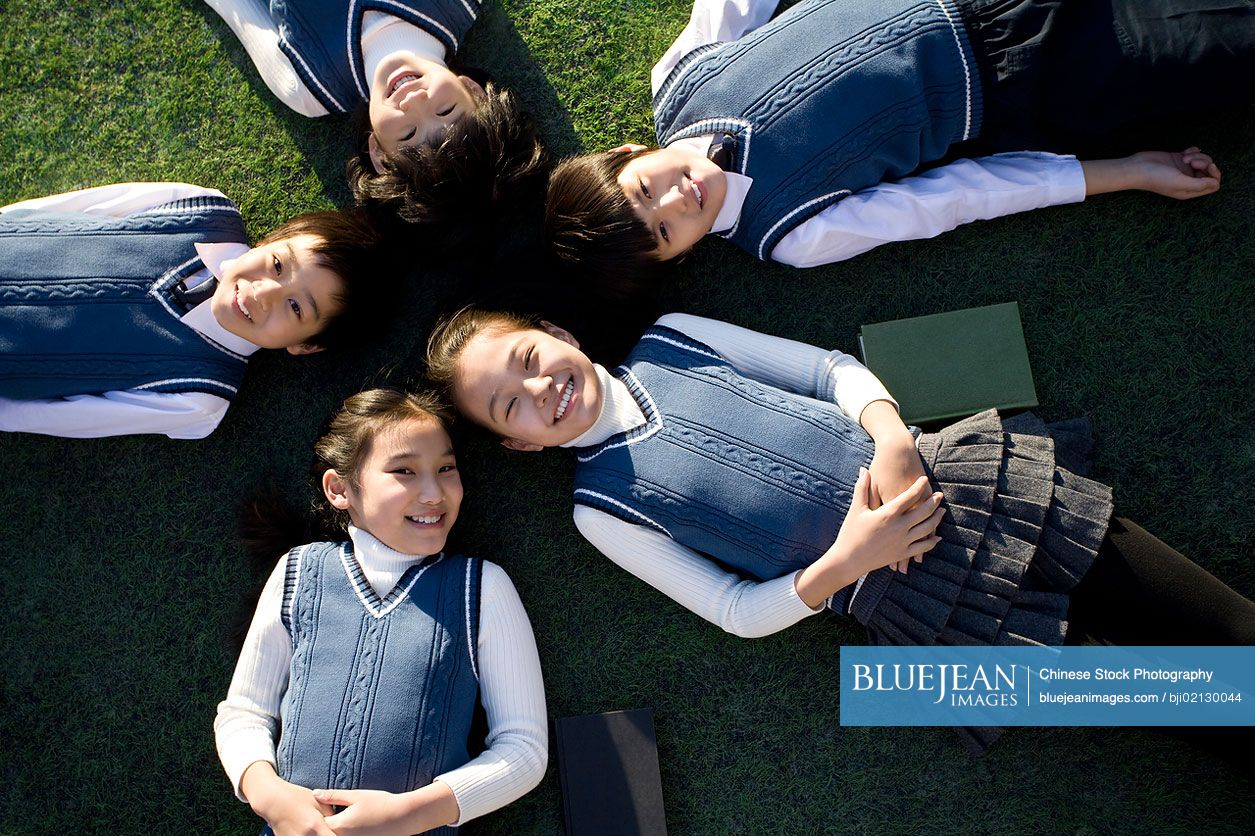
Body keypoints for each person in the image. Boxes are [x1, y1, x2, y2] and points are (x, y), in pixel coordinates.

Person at [426, 307, 1255, 656]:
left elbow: (826, 371)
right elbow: (732, 611)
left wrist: (892, 437)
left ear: (556, 332)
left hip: (958, 486)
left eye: (531, 360)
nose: (541, 390)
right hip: (908, 604)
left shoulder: (672, 339)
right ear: (520, 446)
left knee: (1207, 618)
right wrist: (850, 558)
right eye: (513, 406)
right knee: (1166, 692)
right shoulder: (599, 512)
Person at [545, 0, 1251, 288]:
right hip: (1030, 78)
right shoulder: (790, 234)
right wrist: (1126, 172)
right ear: (682, 252)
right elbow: (956, 198)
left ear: (629, 151)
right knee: (1220, 42)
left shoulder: (678, 80)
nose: (678, 197)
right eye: (667, 230)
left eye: (645, 188)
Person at [215, 388, 548, 835]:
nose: (433, 492)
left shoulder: (480, 588)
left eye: (446, 468)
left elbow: (523, 750)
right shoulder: (298, 571)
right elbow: (244, 712)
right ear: (340, 489)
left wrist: (409, 814)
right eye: (404, 471)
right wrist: (270, 795)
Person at [0, 182, 384, 439]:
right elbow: (75, 209)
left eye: (296, 306)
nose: (262, 293)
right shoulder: (203, 210)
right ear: (273, 240)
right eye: (278, 265)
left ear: (307, 345)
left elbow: (60, 417)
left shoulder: (198, 396)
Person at [202, 0, 546, 222]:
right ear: (473, 90)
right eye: (445, 109)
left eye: (409, 133)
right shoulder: (456, 4)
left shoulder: (310, 88)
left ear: (379, 154)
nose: (414, 101)